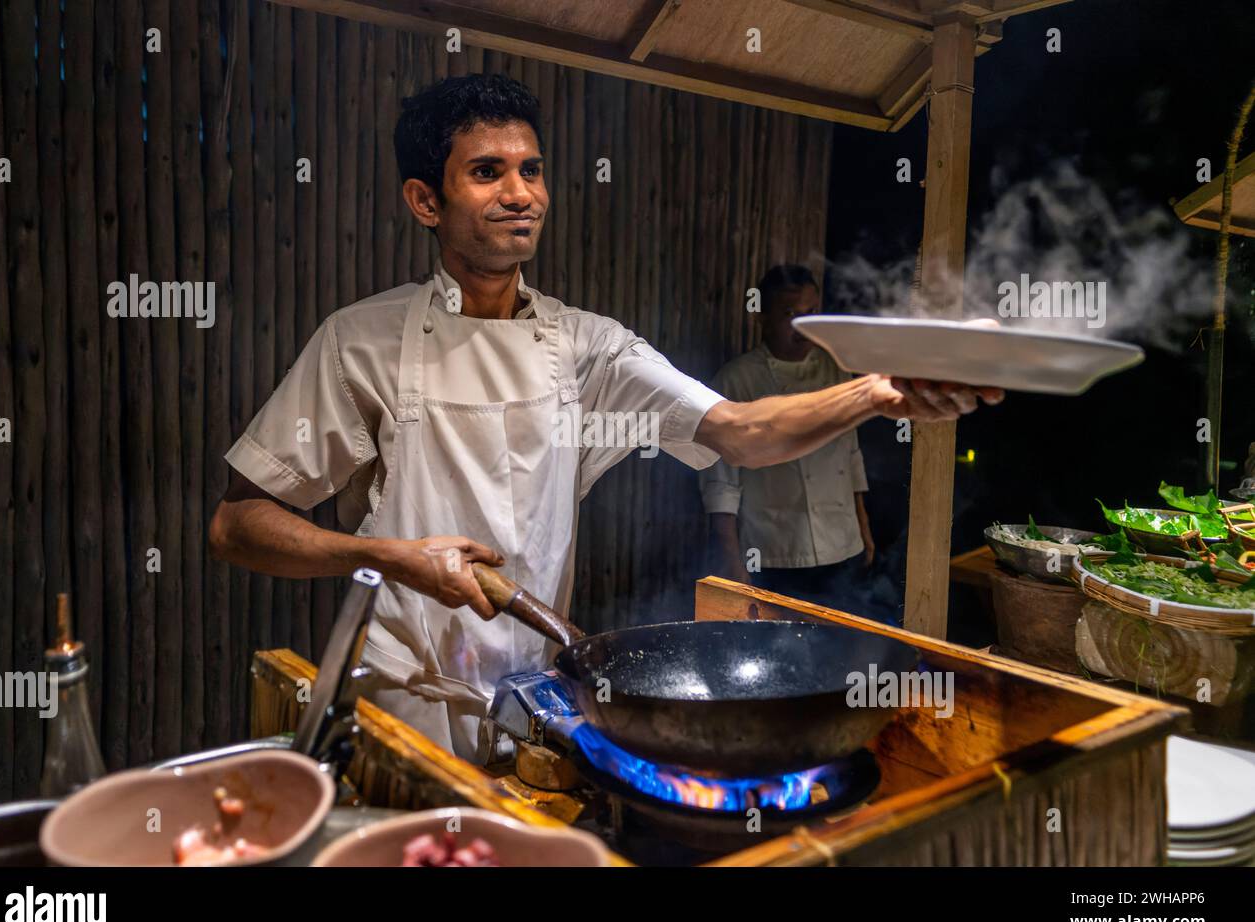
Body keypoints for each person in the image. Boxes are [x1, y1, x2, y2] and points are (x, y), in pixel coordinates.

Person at [208, 74, 1002, 763]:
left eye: (531, 170)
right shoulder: (361, 341)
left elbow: (743, 431)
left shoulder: (587, 346)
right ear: (425, 200)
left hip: (538, 695)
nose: (520, 193)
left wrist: (877, 393)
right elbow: (238, 523)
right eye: (487, 173)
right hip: (403, 699)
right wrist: (389, 555)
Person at [700, 265, 876, 614]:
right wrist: (734, 569)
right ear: (761, 317)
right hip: (772, 556)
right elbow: (721, 488)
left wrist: (864, 529)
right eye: (789, 314)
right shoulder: (736, 381)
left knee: (839, 653)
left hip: (842, 548)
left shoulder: (837, 370)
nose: (802, 326)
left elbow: (851, 457)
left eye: (811, 313)